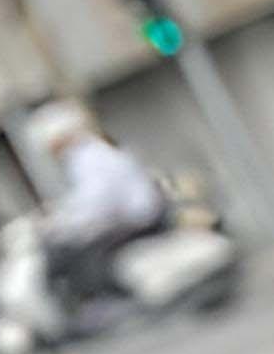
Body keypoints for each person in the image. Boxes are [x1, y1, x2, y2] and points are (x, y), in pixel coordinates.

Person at [27, 99, 168, 296]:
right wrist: (62, 213)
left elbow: (98, 202)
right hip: (135, 217)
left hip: (138, 220)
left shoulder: (85, 156)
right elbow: (87, 197)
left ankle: (106, 302)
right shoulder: (90, 152)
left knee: (82, 257)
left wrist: (65, 225)